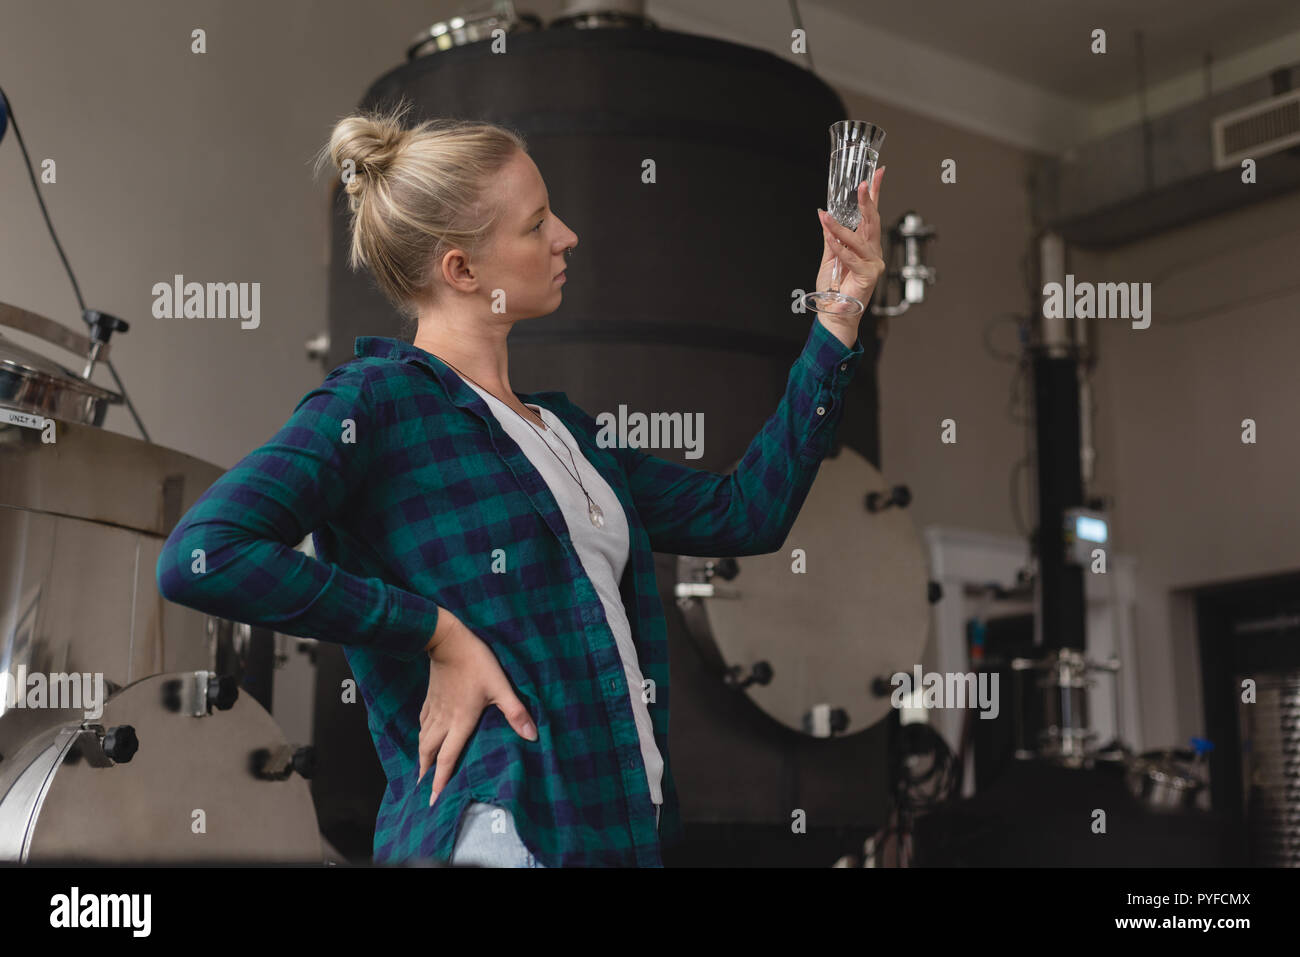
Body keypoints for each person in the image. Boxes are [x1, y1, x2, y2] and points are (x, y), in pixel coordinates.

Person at [155, 102, 885, 867]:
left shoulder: (568, 435)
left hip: (618, 836)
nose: (567, 234)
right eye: (537, 224)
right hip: (501, 836)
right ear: (462, 270)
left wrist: (837, 315)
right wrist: (433, 631)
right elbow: (204, 553)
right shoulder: (376, 402)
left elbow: (747, 514)